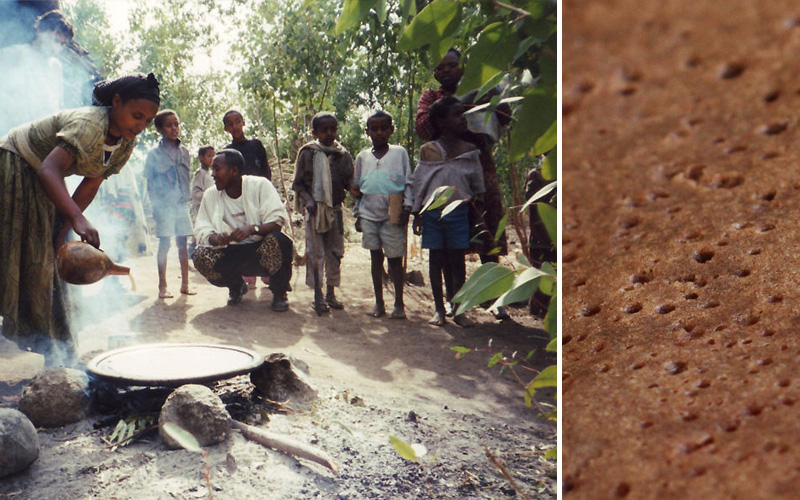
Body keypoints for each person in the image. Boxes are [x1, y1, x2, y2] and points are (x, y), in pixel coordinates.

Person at [0, 73, 160, 356]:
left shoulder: (125, 143)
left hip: (41, 178)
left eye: (147, 121)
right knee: (26, 256)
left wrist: (65, 225)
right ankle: (48, 344)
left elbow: (93, 181)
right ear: (117, 102)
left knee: (48, 256)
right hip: (16, 163)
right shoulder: (88, 124)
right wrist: (76, 218)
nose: (141, 125)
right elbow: (49, 170)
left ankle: (53, 347)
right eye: (137, 116)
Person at [415, 48, 512, 320]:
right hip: (446, 170)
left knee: (487, 227)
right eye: (440, 67)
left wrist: (494, 95)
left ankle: (493, 297)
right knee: (449, 241)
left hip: (480, 165)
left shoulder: (484, 86)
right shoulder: (431, 97)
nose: (445, 70)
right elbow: (423, 126)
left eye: (451, 65)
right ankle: (452, 300)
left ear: (463, 67)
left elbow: (505, 117)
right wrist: (460, 105)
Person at [412, 96, 484, 328]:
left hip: (460, 213)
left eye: (463, 113)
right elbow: (421, 182)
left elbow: (477, 185)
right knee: (436, 260)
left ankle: (458, 308)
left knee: (457, 261)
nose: (462, 118)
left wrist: (478, 214)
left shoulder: (470, 151)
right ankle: (439, 309)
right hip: (433, 213)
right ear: (441, 122)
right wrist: (416, 212)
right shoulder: (429, 151)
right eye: (456, 114)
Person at [193, 149, 292, 311]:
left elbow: (277, 221)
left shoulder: (260, 185)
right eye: (212, 169)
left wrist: (253, 229)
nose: (213, 174)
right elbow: (201, 228)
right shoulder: (211, 195)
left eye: (217, 169)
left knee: (280, 241)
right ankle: (236, 286)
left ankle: (280, 292)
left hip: (259, 249)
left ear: (234, 171)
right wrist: (213, 238)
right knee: (200, 255)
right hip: (230, 252)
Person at [350, 111, 412, 319]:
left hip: (392, 212)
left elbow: (408, 182)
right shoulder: (362, 157)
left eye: (383, 128)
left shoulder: (399, 153)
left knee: (395, 260)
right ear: (367, 132)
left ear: (391, 130)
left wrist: (408, 207)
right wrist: (358, 214)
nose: (379, 133)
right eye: (374, 129)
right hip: (368, 213)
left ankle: (399, 304)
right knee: (376, 258)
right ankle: (379, 303)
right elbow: (357, 188)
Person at [292, 112, 354, 315]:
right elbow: (298, 184)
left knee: (334, 252)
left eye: (333, 129)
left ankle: (330, 293)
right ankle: (317, 296)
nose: (329, 133)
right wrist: (309, 200)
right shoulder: (307, 153)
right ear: (314, 132)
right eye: (324, 130)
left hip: (335, 211)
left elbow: (349, 183)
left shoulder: (343, 156)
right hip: (315, 211)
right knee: (315, 253)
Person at [143, 109, 195, 299]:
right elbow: (150, 185)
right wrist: (155, 207)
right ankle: (162, 286)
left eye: (176, 124)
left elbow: (186, 179)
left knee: (183, 242)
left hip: (181, 204)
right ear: (159, 129)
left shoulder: (184, 152)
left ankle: (185, 284)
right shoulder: (153, 155)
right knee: (165, 243)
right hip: (163, 205)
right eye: (169, 125)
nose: (174, 128)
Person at [0, 10, 74, 135]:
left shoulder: (56, 67)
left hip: (36, 140)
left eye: (62, 44)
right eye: (54, 40)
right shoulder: (15, 53)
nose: (56, 48)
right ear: (40, 30)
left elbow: (56, 105)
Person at [223, 109, 271, 289]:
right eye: (230, 123)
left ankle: (267, 272)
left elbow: (266, 171)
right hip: (239, 201)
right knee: (244, 237)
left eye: (237, 122)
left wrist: (267, 195)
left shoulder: (256, 145)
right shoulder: (227, 152)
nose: (235, 126)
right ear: (226, 128)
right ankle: (248, 274)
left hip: (259, 198)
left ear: (243, 123)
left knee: (263, 234)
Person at [188, 145, 215, 258]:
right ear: (201, 158)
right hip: (202, 208)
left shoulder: (211, 173)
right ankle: (191, 254)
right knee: (200, 231)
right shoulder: (200, 174)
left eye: (214, 156)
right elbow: (195, 193)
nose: (212, 159)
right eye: (209, 156)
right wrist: (207, 196)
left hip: (212, 208)